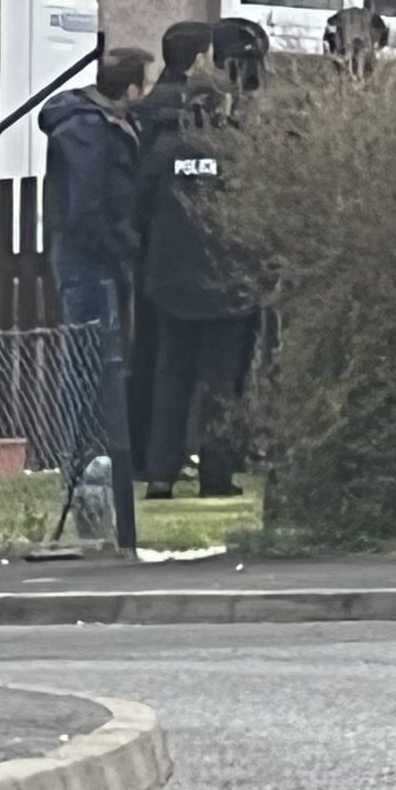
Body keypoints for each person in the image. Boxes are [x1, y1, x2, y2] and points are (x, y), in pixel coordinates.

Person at [135, 75, 262, 500]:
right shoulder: (238, 152)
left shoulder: (165, 151)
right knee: (219, 384)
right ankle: (216, 475)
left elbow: (140, 208)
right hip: (226, 285)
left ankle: (161, 474)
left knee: (171, 379)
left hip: (172, 284)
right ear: (224, 106)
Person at [38, 46, 152, 484]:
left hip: (98, 255)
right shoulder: (87, 130)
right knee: (84, 359)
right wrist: (121, 246)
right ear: (130, 89)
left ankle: (97, 453)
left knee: (103, 358)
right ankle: (77, 457)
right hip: (88, 260)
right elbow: (86, 206)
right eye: (143, 83)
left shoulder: (108, 123)